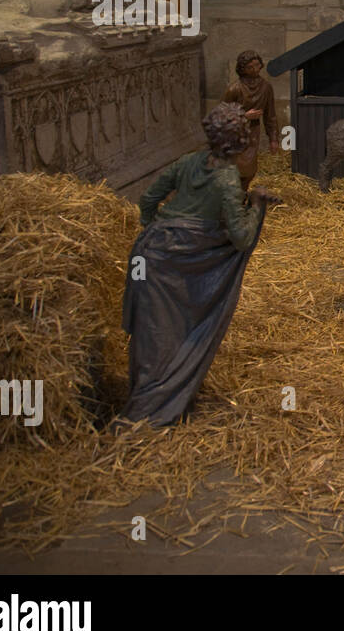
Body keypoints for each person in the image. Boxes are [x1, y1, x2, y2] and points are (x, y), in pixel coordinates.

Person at [118, 103, 278, 427]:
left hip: (149, 253)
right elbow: (242, 238)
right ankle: (149, 412)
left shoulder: (187, 161)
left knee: (150, 336)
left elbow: (148, 200)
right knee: (171, 334)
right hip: (177, 265)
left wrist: (155, 229)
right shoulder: (227, 178)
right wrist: (257, 205)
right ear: (241, 141)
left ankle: (145, 399)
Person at [221, 50, 280, 193]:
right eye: (250, 67)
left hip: (252, 133)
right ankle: (232, 198)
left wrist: (273, 139)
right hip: (234, 133)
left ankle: (241, 195)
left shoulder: (266, 87)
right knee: (234, 169)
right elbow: (222, 115)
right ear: (242, 69)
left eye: (257, 65)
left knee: (250, 169)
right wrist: (244, 116)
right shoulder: (234, 89)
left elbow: (270, 115)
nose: (254, 70)